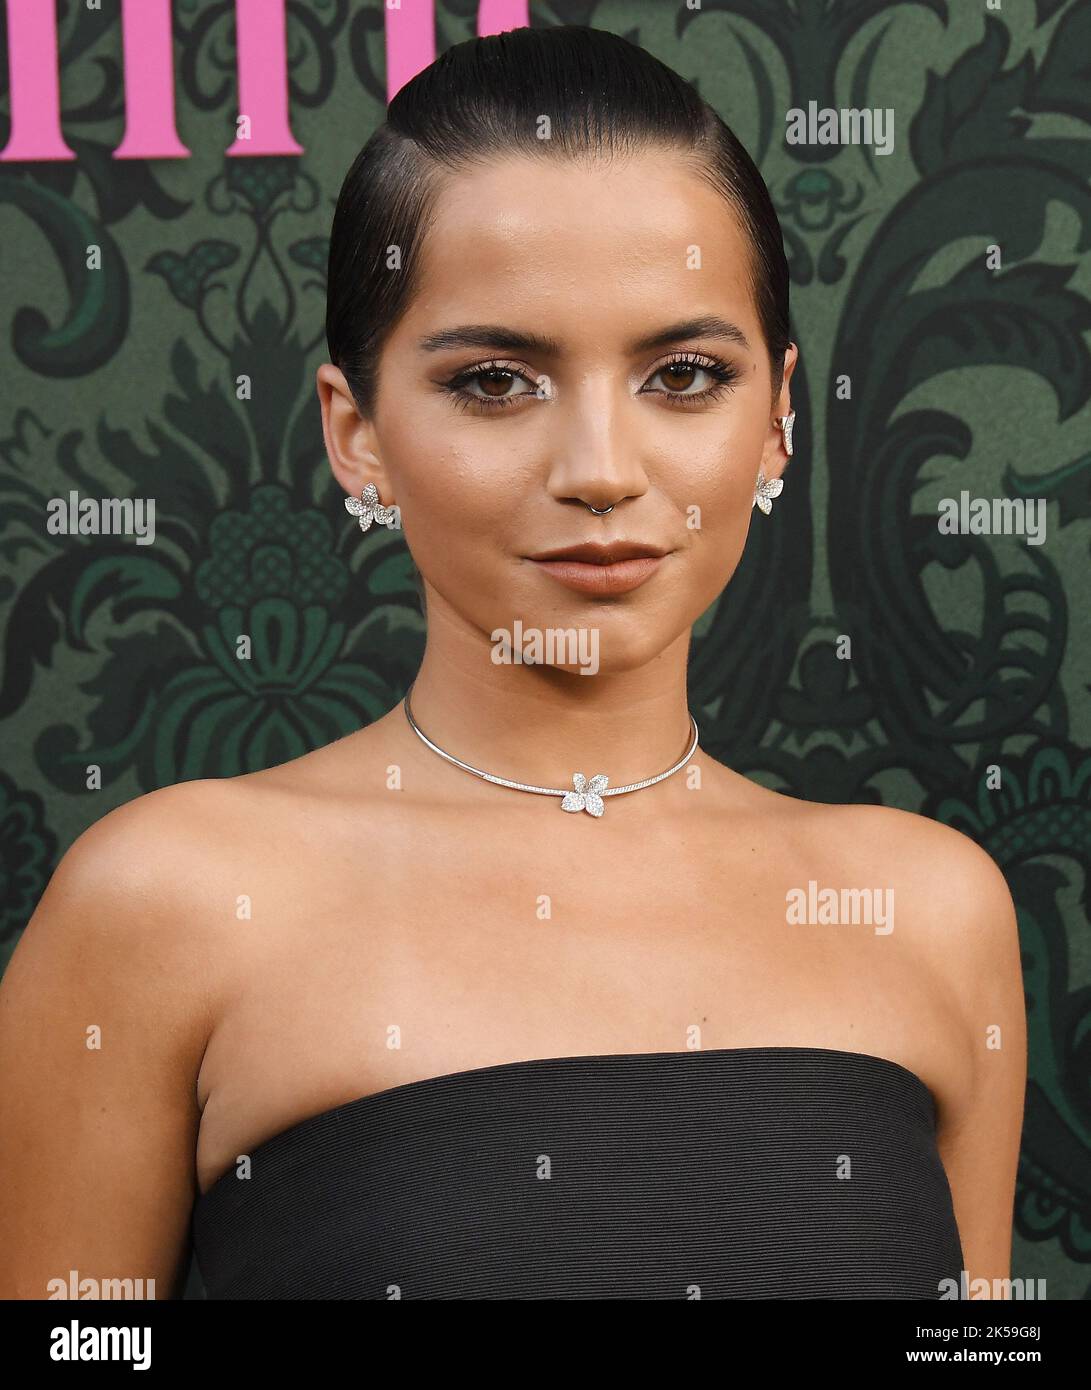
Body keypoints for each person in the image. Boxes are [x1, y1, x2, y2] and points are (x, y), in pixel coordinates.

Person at [0, 25, 1025, 1300]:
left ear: (776, 422)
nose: (598, 467)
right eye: (495, 381)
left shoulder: (928, 912)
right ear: (356, 432)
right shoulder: (165, 904)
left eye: (684, 374)